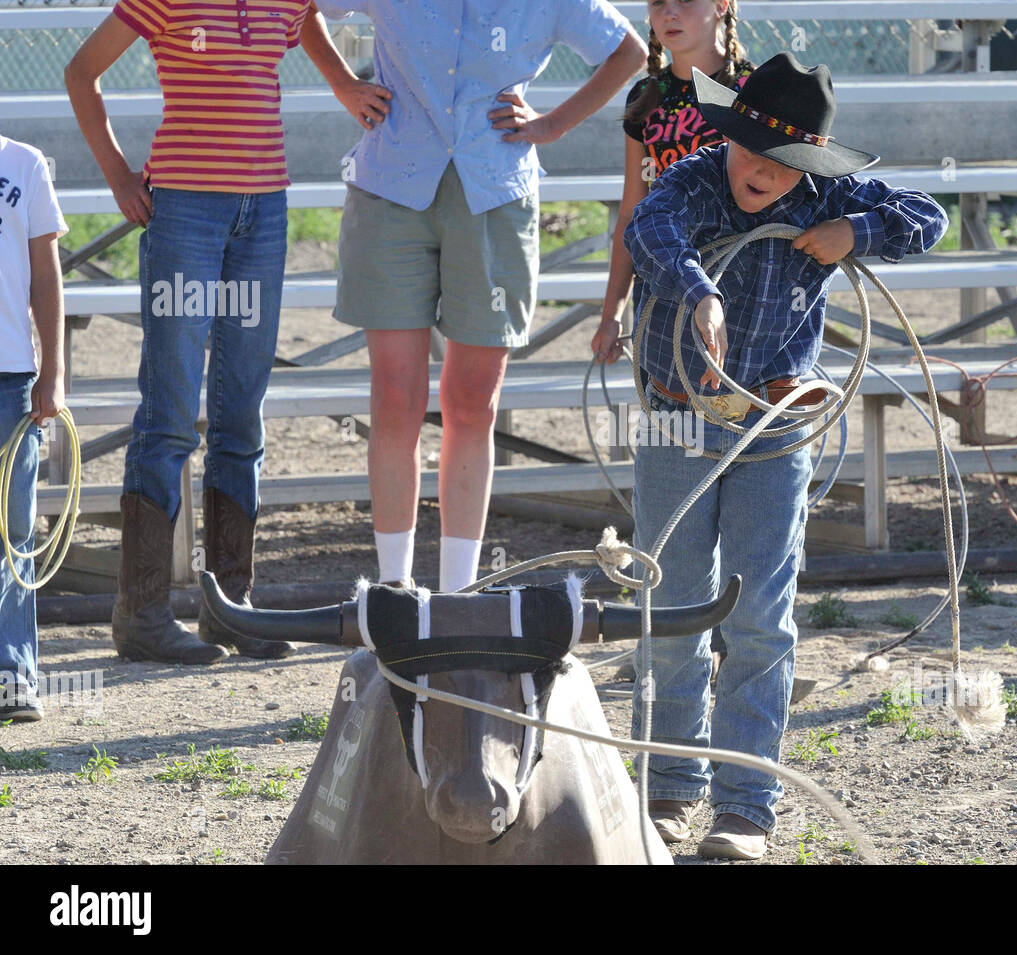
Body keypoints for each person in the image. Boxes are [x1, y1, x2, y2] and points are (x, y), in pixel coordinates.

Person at [624, 52, 949, 859]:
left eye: (784, 161)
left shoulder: (830, 195)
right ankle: (666, 790)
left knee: (761, 617)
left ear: (810, 162)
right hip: (678, 417)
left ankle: (744, 808)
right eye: (750, 151)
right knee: (672, 611)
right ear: (726, 134)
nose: (762, 171)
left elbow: (928, 216)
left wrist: (855, 231)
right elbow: (648, 228)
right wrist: (699, 288)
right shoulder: (696, 180)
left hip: (775, 425)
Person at [66, 2, 390, 664]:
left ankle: (231, 608)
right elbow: (80, 72)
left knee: (242, 416)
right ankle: (143, 612)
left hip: (263, 214)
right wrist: (119, 177)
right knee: (172, 413)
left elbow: (303, 21)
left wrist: (341, 84)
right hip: (183, 210)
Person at [310, 0, 645, 592]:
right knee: (394, 394)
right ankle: (394, 589)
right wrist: (343, 82)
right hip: (390, 187)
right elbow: (300, 7)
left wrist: (552, 125)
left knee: (473, 401)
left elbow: (628, 53)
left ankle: (459, 594)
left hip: (496, 194)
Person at [592, 0, 752, 691]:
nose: (667, 13)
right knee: (669, 477)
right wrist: (612, 307)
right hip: (666, 309)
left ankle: (735, 638)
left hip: (746, 303)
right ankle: (670, 639)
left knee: (741, 475)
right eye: (656, 2)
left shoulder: (754, 93)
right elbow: (633, 205)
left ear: (723, 5)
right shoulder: (646, 100)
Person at [0, 136, 66, 722]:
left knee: (14, 526)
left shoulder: (24, 162)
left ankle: (13, 675)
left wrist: (53, 369)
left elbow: (46, 274)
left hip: (10, 374)